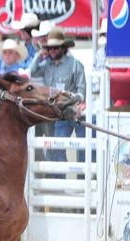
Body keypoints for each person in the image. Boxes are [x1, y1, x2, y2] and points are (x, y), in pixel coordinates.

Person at [29, 28, 86, 163]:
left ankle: (83, 176)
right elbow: (32, 71)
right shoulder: (46, 65)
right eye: (49, 48)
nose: (52, 51)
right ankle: (60, 176)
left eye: (56, 48)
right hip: (58, 115)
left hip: (74, 111)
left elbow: (81, 90)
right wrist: (39, 54)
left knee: (83, 148)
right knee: (57, 148)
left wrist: (72, 103)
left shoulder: (75, 64)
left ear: (63, 48)